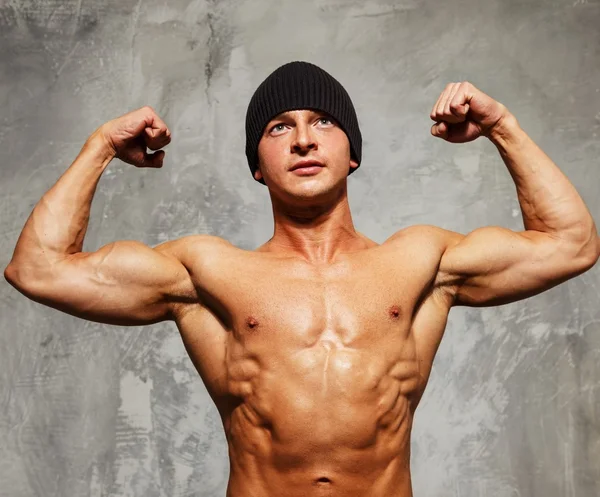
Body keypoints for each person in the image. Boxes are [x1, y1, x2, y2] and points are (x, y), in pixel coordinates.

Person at [4, 61, 599, 497]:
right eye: (279, 128)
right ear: (257, 167)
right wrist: (101, 145)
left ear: (353, 152)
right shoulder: (207, 273)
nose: (306, 139)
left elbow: (571, 244)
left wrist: (503, 126)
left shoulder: (421, 263)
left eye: (323, 123)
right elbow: (38, 268)